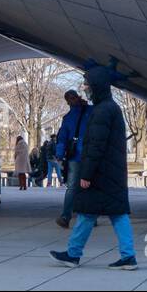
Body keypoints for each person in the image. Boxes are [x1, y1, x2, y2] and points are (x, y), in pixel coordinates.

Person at [50, 66, 138, 270]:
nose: (85, 89)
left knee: (88, 212)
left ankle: (73, 254)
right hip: (111, 172)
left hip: (100, 173)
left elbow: (95, 145)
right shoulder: (110, 108)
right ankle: (126, 256)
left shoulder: (102, 111)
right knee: (112, 213)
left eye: (87, 85)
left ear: (97, 87)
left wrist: (86, 173)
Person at [55, 89, 90, 227]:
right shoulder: (90, 112)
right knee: (87, 185)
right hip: (88, 154)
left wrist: (59, 154)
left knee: (73, 187)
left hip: (76, 155)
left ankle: (66, 216)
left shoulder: (68, 118)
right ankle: (89, 216)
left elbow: (62, 138)